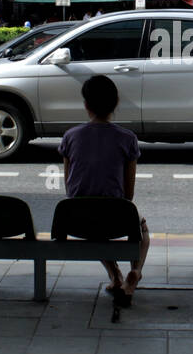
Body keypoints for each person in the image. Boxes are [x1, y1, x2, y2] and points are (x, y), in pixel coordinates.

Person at [58, 75, 150, 307]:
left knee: (92, 214)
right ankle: (135, 274)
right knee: (142, 228)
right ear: (116, 103)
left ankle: (114, 274)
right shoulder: (128, 139)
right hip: (116, 220)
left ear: (86, 104)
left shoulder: (70, 137)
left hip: (78, 221)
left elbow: (71, 188)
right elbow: (128, 195)